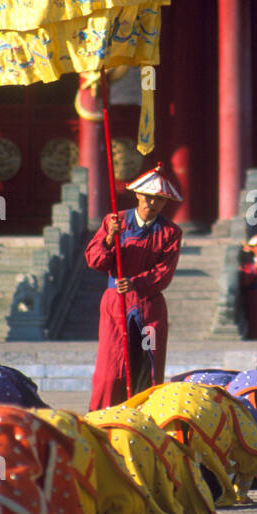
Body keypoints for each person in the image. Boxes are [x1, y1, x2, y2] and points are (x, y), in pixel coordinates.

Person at [85, 164, 183, 411]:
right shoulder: (114, 221)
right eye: (148, 197)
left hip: (149, 308)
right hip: (115, 304)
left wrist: (137, 283)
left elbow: (165, 272)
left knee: (147, 364)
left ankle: (143, 418)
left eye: (159, 199)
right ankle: (103, 417)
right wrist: (110, 239)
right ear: (138, 194)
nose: (152, 203)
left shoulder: (171, 232)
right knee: (111, 367)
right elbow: (95, 259)